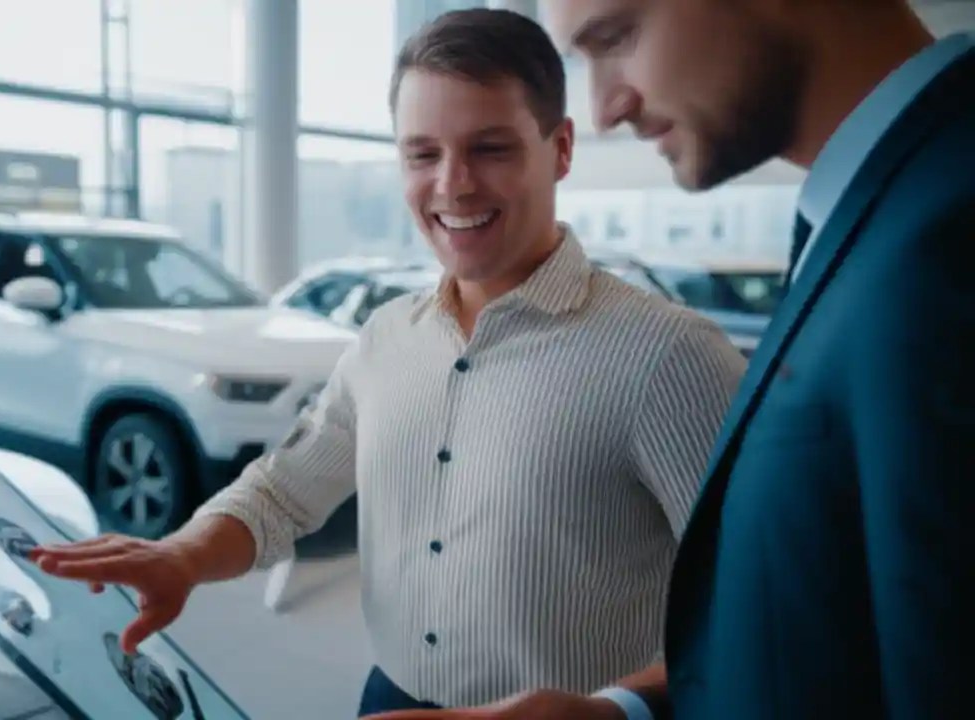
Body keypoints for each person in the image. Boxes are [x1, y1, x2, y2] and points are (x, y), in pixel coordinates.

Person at [30, 8, 744, 716]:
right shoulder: (384, 338)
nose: (453, 185)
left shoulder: (669, 357)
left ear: (560, 148)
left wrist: (617, 709)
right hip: (388, 697)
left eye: (490, 149)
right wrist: (184, 555)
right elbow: (283, 493)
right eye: (422, 154)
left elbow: (761, 609)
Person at [375, 1, 975, 718]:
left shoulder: (949, 237)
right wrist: (617, 713)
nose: (606, 109)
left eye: (617, 35)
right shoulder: (877, 212)